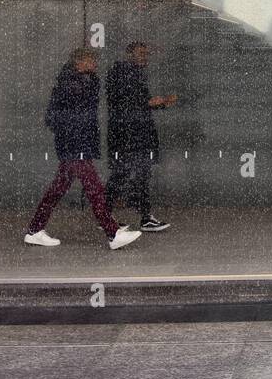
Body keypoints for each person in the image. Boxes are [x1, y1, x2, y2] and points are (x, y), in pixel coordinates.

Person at [25, 48, 142, 250]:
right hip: (74, 145)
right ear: (80, 62)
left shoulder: (83, 81)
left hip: (76, 144)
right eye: (92, 60)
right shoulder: (70, 84)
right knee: (94, 189)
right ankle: (113, 233)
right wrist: (72, 135)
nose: (95, 64)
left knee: (58, 189)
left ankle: (35, 230)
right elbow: (54, 117)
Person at [106, 42, 177, 233]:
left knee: (138, 174)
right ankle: (108, 215)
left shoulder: (132, 73)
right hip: (128, 134)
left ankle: (142, 217)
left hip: (134, 133)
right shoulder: (123, 73)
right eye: (141, 53)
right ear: (130, 54)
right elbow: (123, 102)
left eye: (146, 53)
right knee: (125, 174)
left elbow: (132, 102)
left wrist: (157, 104)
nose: (145, 57)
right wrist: (150, 102)